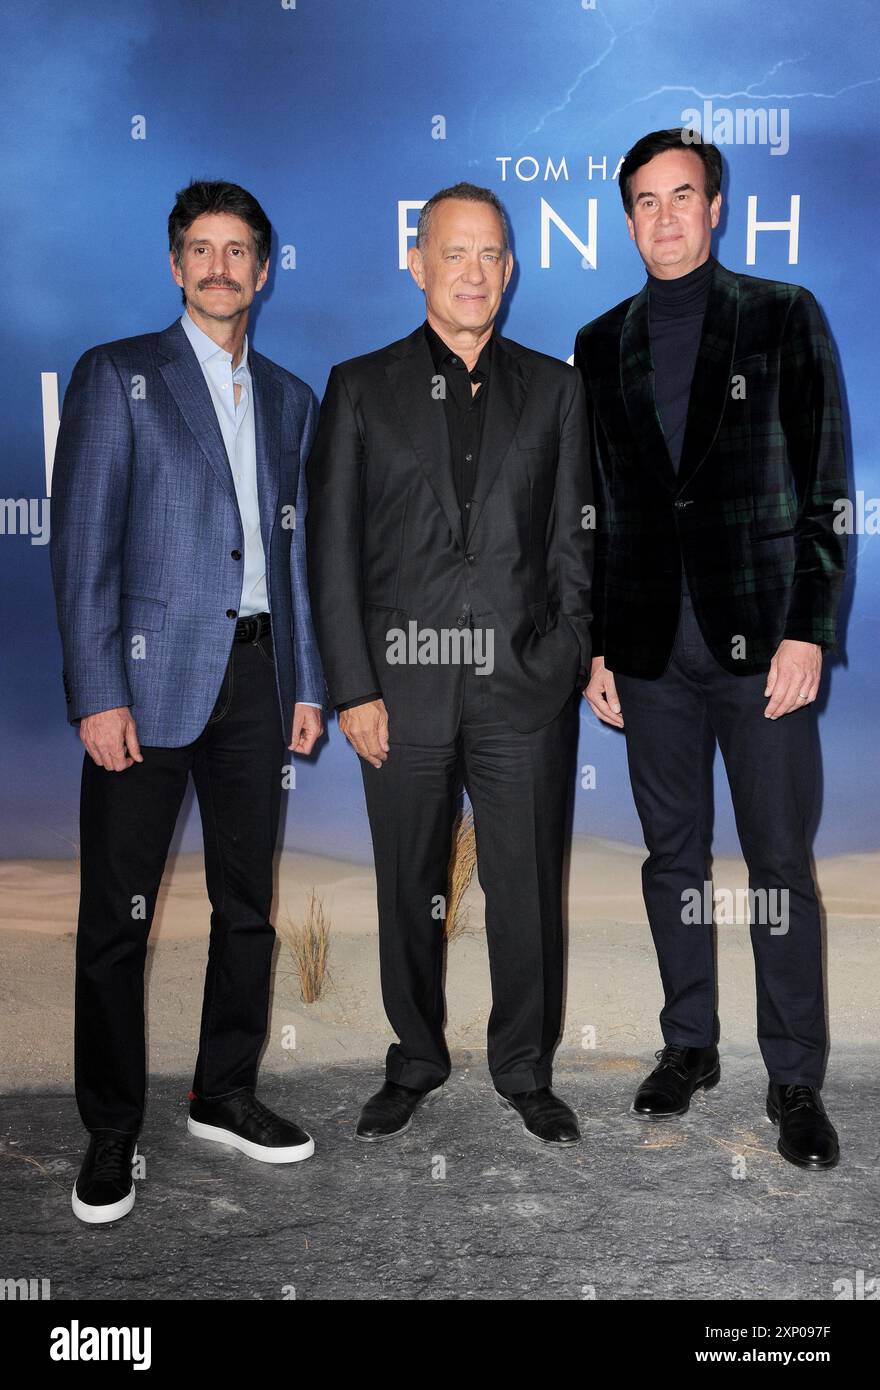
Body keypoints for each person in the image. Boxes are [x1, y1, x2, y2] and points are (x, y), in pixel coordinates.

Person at [50, 180, 324, 1223]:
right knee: (115, 924)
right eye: (200, 249)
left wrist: (302, 682)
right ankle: (112, 1132)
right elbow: (82, 552)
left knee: (245, 907)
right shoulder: (117, 375)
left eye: (238, 250)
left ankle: (225, 1091)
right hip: (145, 680)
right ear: (175, 266)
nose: (219, 266)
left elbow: (292, 557)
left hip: (259, 682)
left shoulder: (292, 399)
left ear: (262, 269)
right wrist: (97, 691)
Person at [574, 130, 848, 1169]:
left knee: (776, 863)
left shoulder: (782, 316)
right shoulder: (601, 343)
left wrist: (808, 631)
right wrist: (598, 646)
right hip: (647, 655)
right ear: (628, 216)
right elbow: (594, 505)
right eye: (643, 201)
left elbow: (824, 489)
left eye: (681, 196)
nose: (664, 217)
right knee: (670, 860)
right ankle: (687, 1045)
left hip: (761, 649)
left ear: (717, 204)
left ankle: (793, 1079)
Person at [307, 183, 593, 1145]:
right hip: (401, 690)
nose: (473, 274)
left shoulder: (556, 390)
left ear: (510, 271)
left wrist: (562, 662)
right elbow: (333, 551)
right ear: (418, 262)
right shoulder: (358, 386)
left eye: (491, 256)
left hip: (524, 693)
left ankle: (524, 1068)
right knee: (408, 886)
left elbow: (574, 546)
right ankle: (416, 1060)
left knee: (525, 891)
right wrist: (352, 685)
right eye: (453, 253)